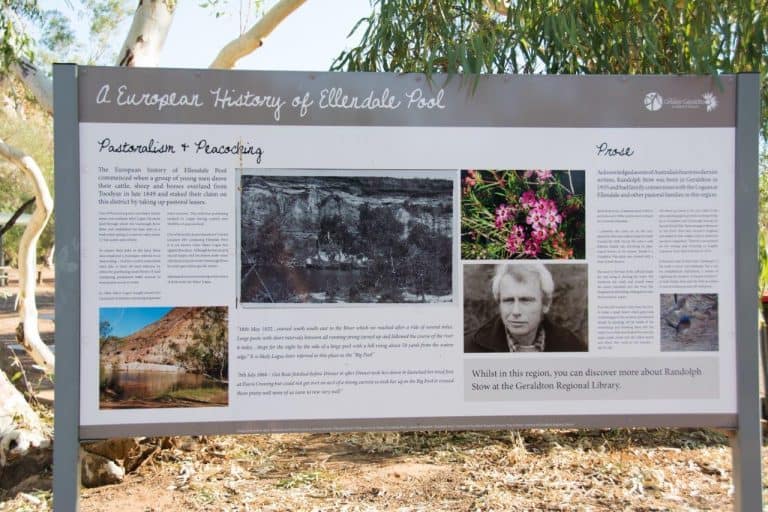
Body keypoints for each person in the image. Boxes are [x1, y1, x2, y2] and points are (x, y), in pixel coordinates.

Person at [465, 263, 586, 353]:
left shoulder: (572, 346)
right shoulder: (468, 348)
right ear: (499, 304)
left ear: (546, 304)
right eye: (508, 300)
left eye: (525, 300)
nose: (516, 312)